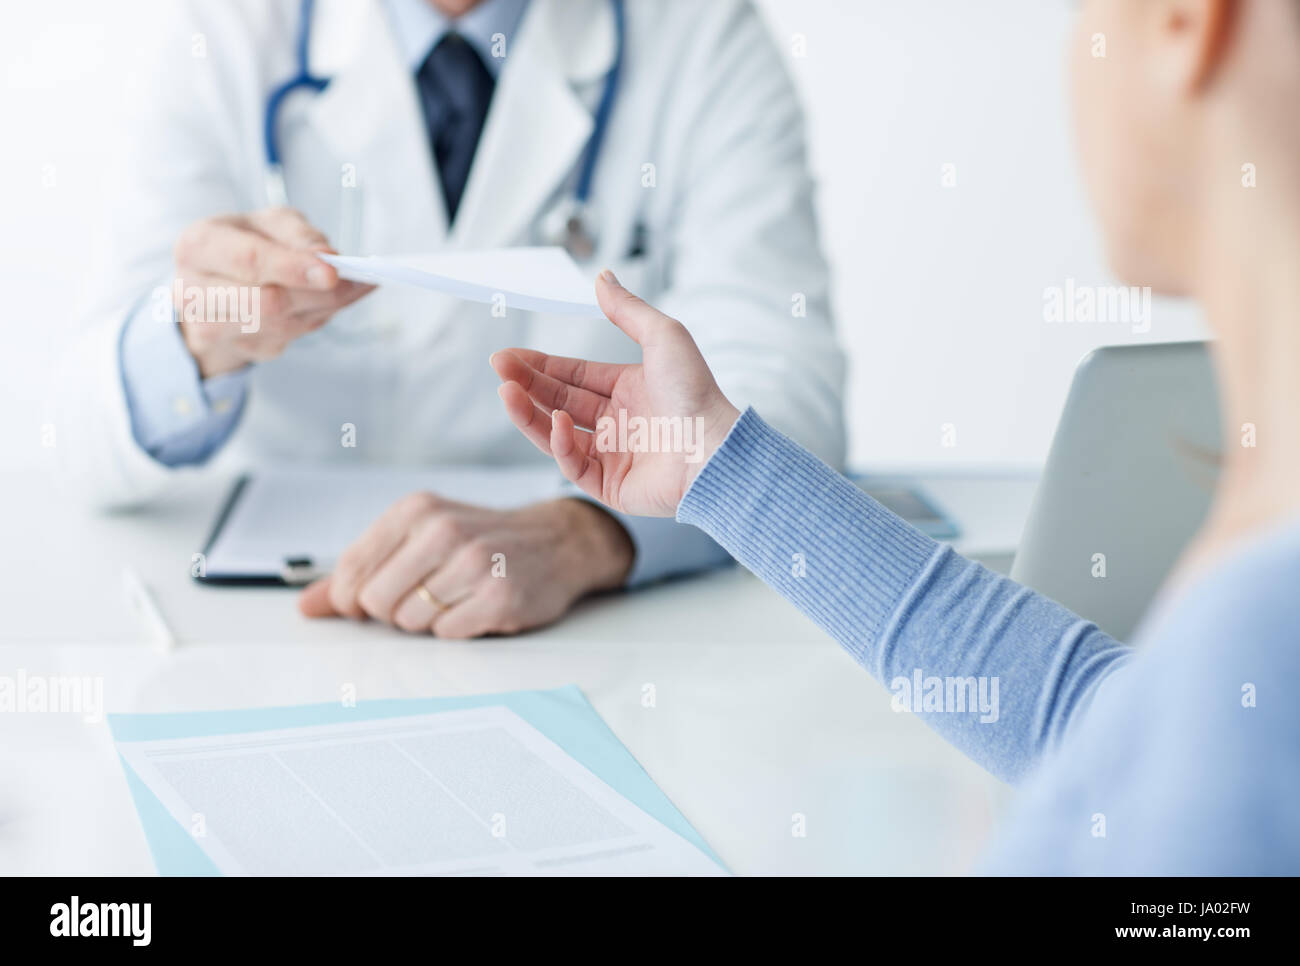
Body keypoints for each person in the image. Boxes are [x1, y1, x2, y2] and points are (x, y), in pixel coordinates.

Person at [491, 0, 1300, 872]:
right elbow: (1100, 719)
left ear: (1184, 21)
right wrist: (720, 469)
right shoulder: (1251, 652)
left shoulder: (1258, 630)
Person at [54, 0, 844, 639]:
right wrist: (198, 338)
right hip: (265, 623)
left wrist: (589, 535)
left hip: (592, 629)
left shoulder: (700, 36)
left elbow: (789, 397)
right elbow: (78, 435)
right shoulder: (226, 34)